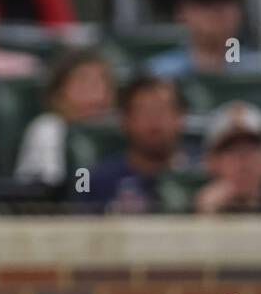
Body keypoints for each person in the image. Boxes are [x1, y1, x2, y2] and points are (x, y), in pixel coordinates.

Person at [75, 75, 187, 214]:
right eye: (144, 111)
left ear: (180, 117)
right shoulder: (95, 181)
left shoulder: (199, 176)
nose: (154, 120)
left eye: (163, 110)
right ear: (125, 120)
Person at [148, 0, 261, 76]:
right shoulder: (159, 75)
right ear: (182, 12)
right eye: (205, 5)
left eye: (225, 4)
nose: (216, 13)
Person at [15, 48, 117, 187]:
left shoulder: (118, 128)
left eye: (101, 82)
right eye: (83, 81)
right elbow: (72, 186)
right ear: (59, 93)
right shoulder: (47, 128)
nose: (95, 90)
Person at [194, 100, 261, 212]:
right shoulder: (185, 209)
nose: (242, 159)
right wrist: (204, 217)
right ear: (211, 162)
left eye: (251, 148)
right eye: (230, 150)